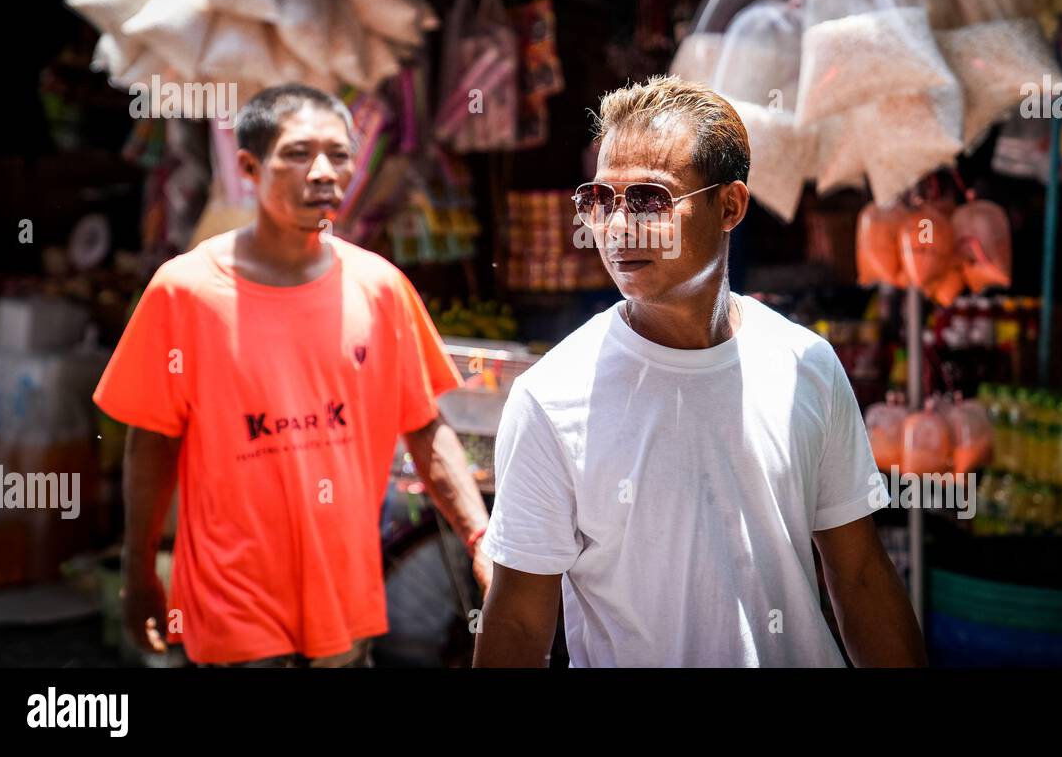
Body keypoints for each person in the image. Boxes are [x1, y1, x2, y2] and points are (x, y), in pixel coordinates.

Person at [473, 76, 926, 667]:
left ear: (730, 206)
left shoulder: (804, 367)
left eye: (649, 200)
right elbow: (517, 621)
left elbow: (861, 574)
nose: (617, 226)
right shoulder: (551, 398)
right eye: (600, 201)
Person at [94, 84, 491, 667]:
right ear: (249, 167)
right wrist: (138, 570)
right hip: (232, 611)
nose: (324, 172)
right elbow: (151, 440)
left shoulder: (380, 287)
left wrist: (481, 537)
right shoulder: (185, 292)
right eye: (299, 153)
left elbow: (425, 427)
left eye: (339, 154)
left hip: (345, 608)